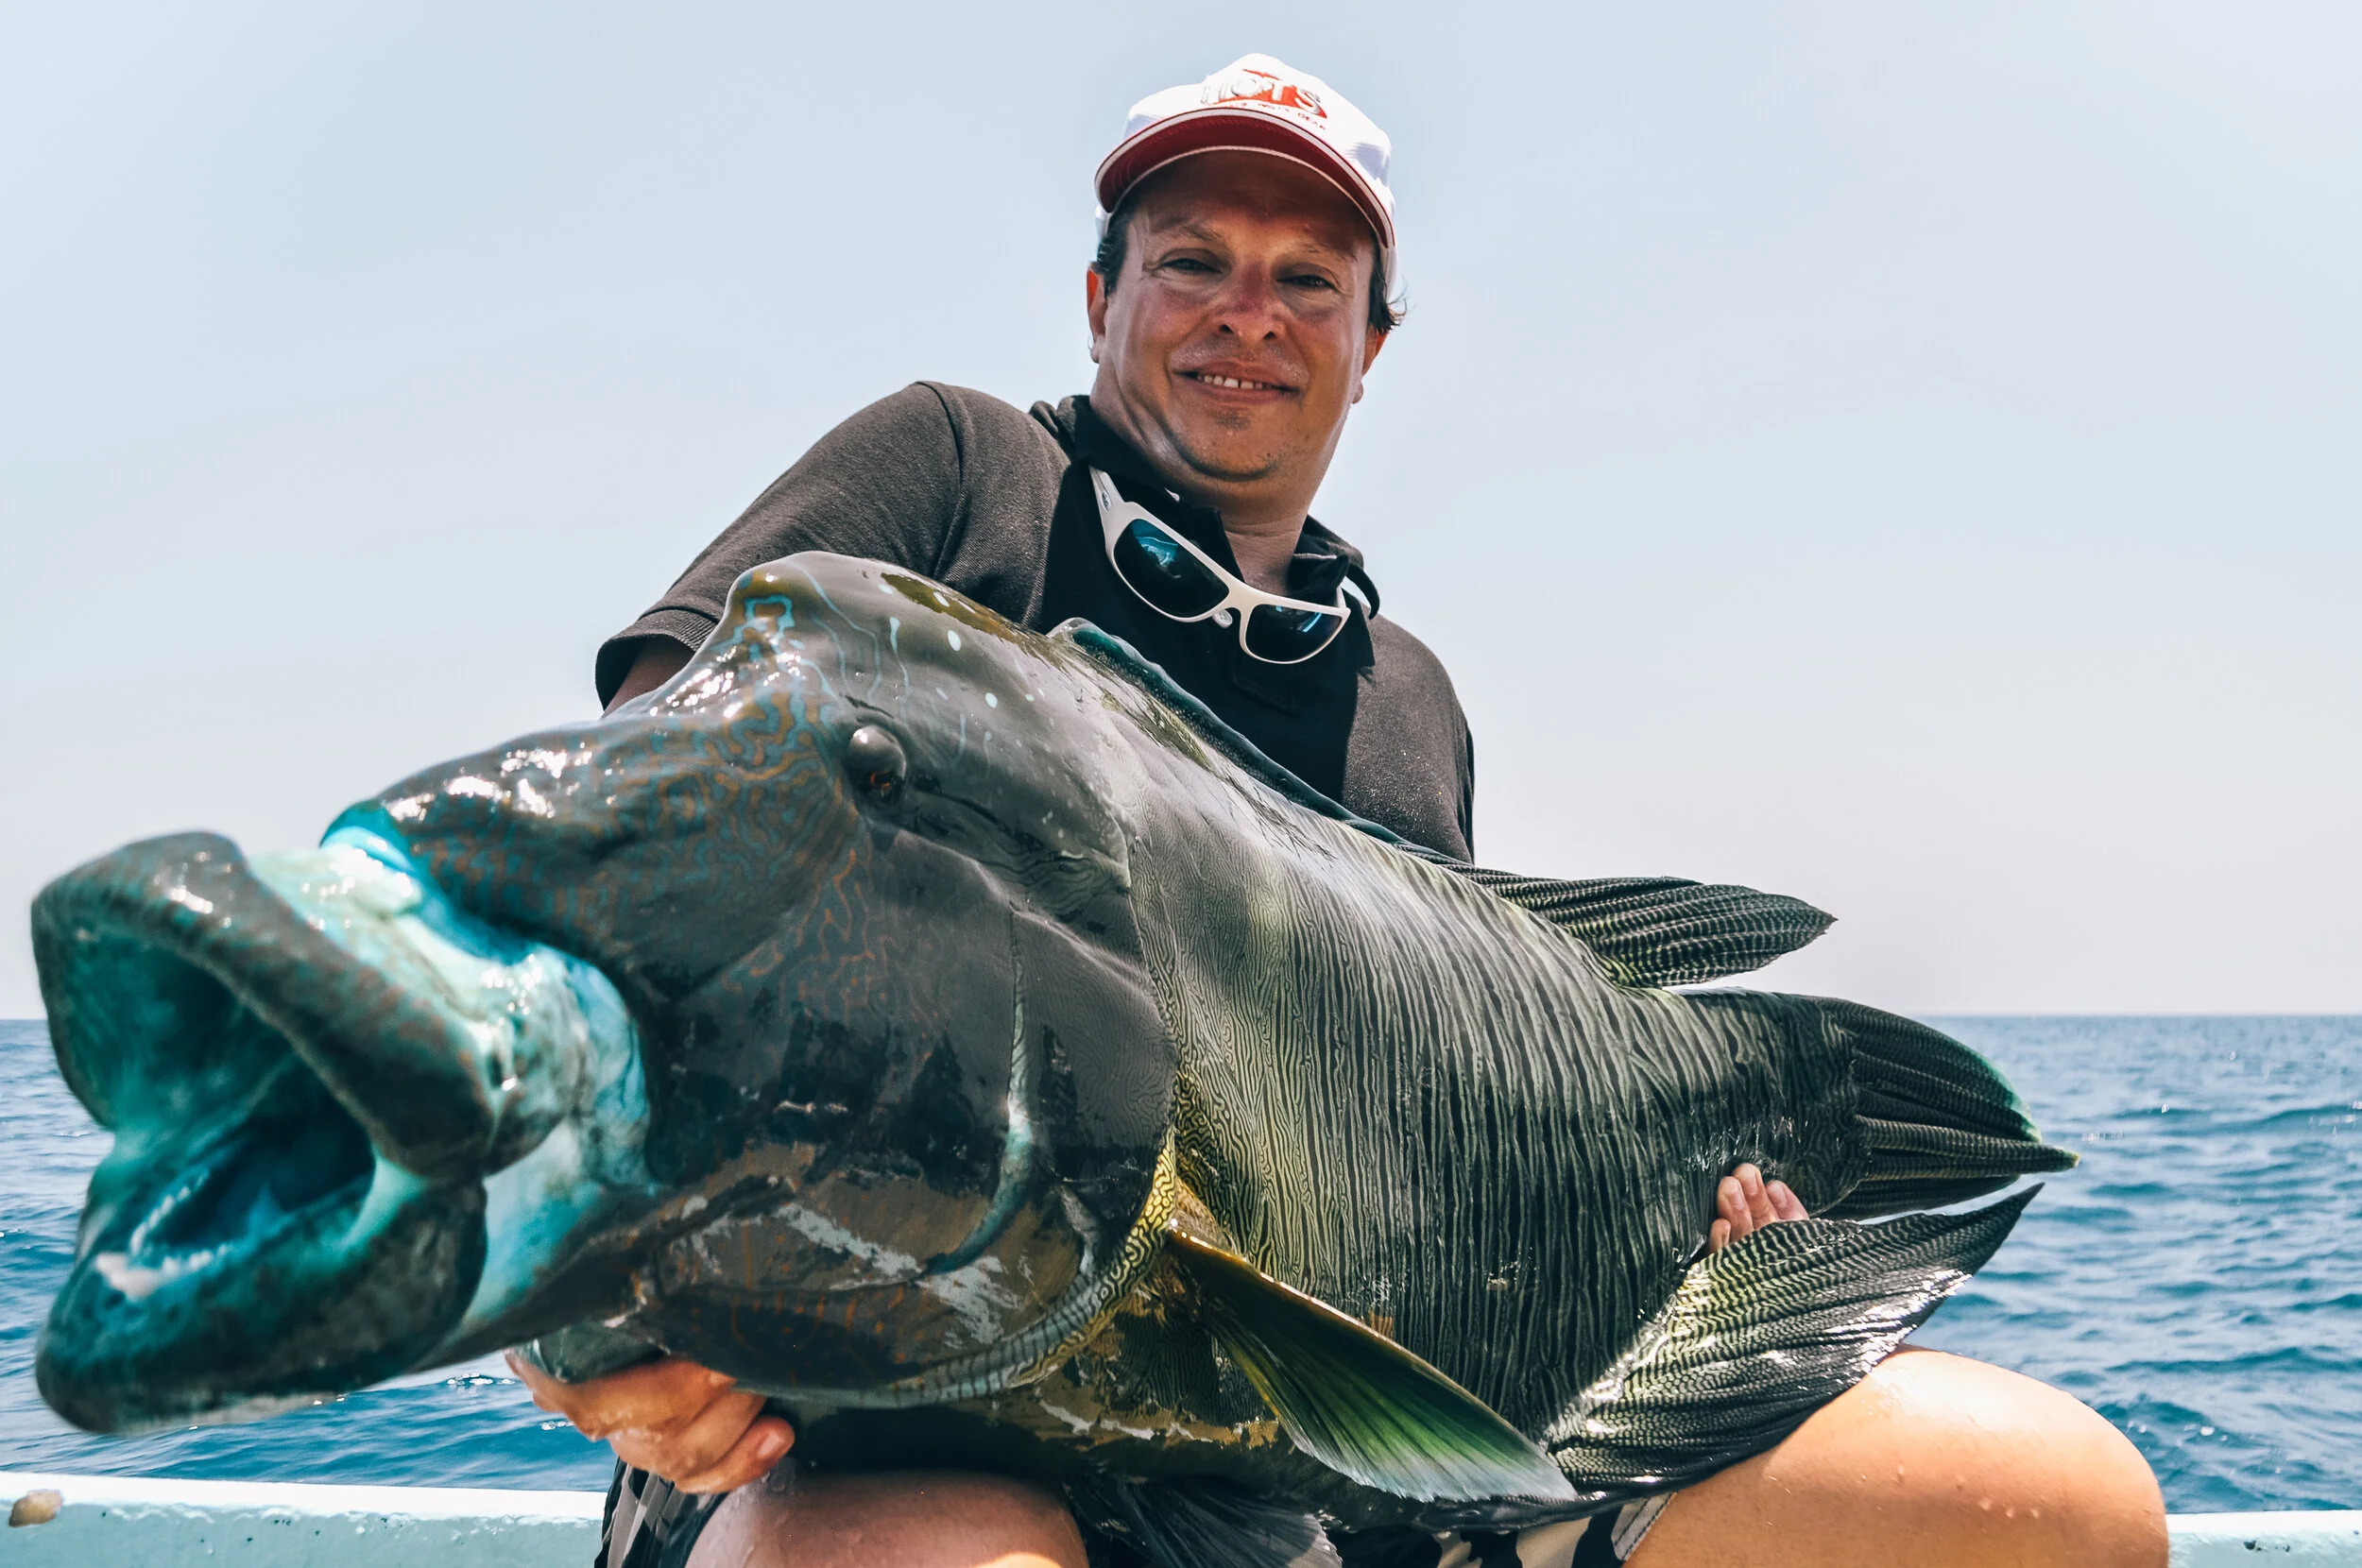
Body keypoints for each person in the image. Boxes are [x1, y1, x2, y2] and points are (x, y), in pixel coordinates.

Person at [513, 55, 2167, 1568]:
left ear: (1371, 350)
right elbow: (647, 846)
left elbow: (1437, 1156)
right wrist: (568, 1310)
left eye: (1309, 280)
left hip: (1312, 1459)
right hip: (877, 1431)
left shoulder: (1411, 705)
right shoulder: (951, 472)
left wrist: (1713, 1286)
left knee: (2054, 1505)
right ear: (1099, 299)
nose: (1251, 312)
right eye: (1193, 261)